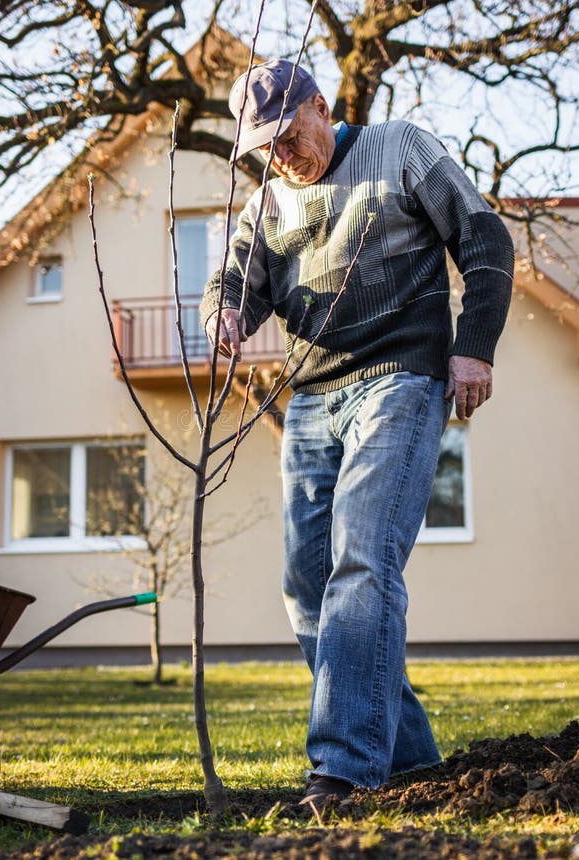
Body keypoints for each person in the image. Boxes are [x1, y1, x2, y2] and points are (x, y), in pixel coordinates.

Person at [200, 59, 514, 811]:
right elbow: (232, 282)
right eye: (262, 149)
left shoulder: (400, 147)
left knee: (362, 561)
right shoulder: (268, 204)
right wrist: (226, 315)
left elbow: (486, 238)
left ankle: (343, 773)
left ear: (320, 106)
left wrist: (474, 342)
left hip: (401, 378)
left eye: (286, 137)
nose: (279, 157)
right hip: (311, 401)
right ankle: (411, 764)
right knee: (307, 587)